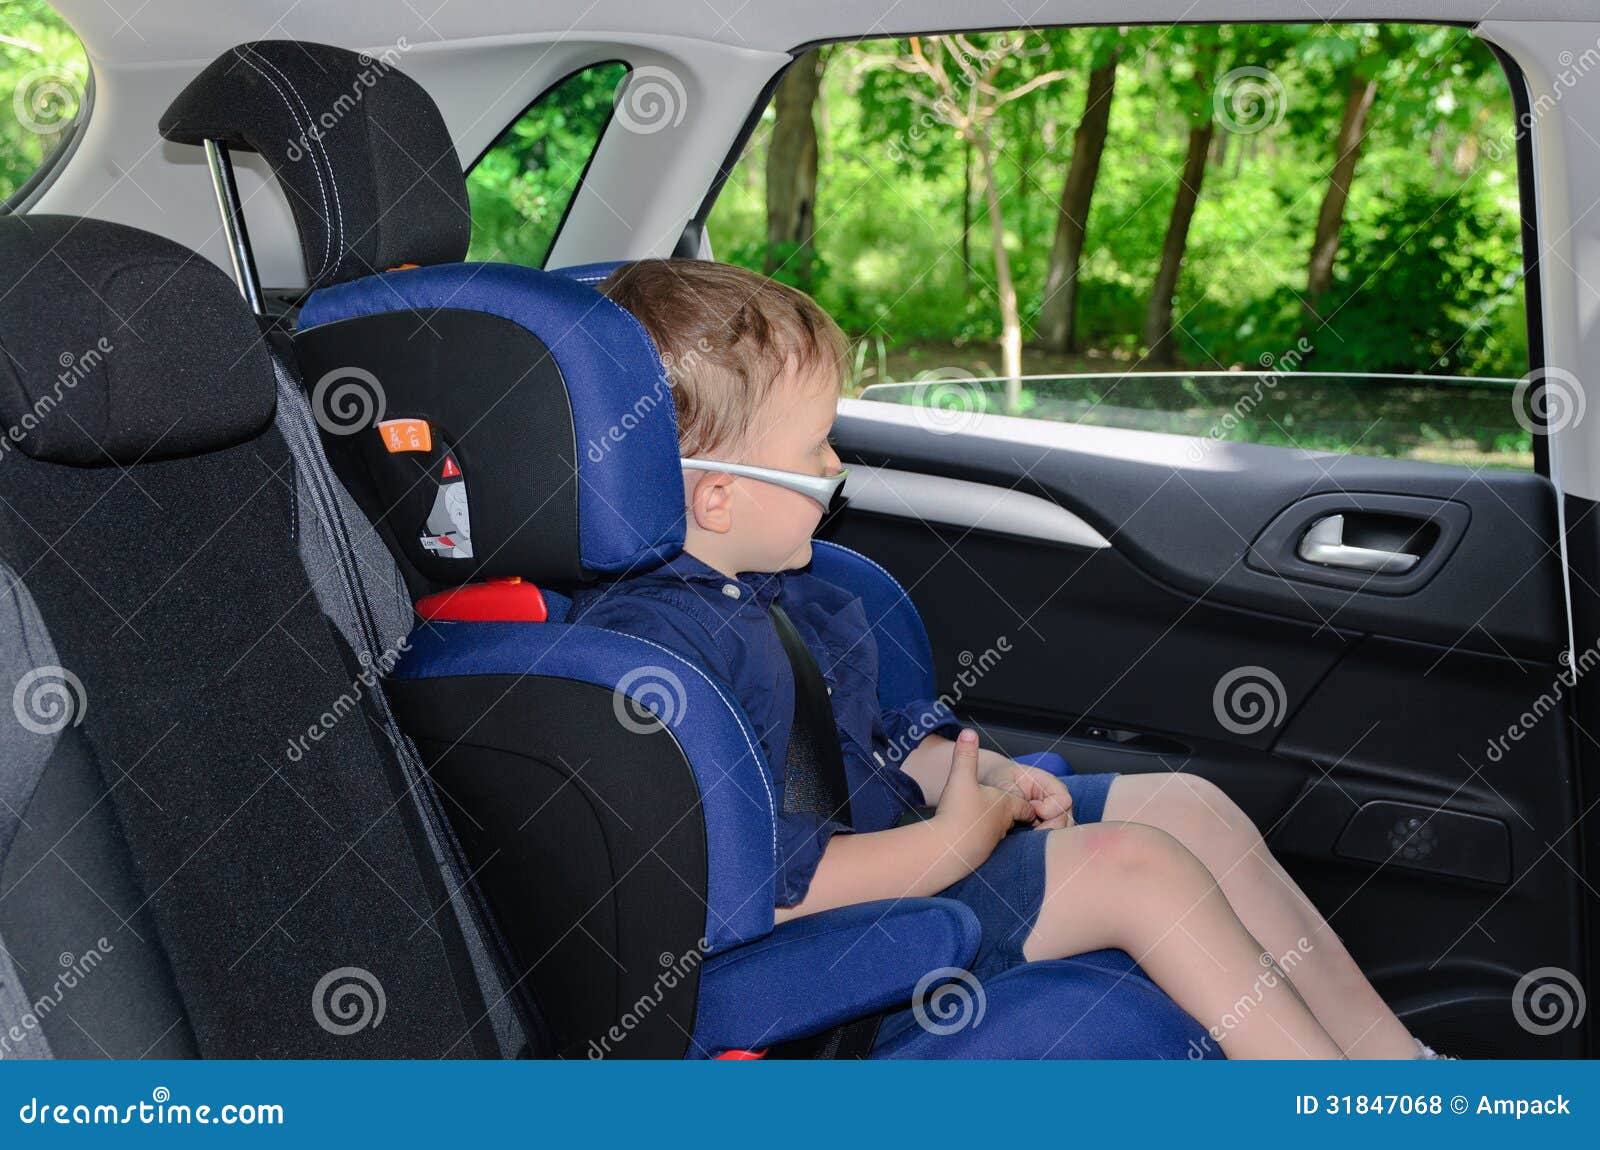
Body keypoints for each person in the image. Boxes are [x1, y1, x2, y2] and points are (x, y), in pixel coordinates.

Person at [569, 258, 1440, 1060]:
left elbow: (863, 744)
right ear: (718, 496)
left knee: (1191, 805)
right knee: (1138, 866)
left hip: (896, 859)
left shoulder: (780, 591)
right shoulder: (655, 657)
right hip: (829, 944)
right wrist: (950, 844)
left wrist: (980, 771)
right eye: (815, 452)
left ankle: (1401, 1072)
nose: (837, 466)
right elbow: (760, 887)